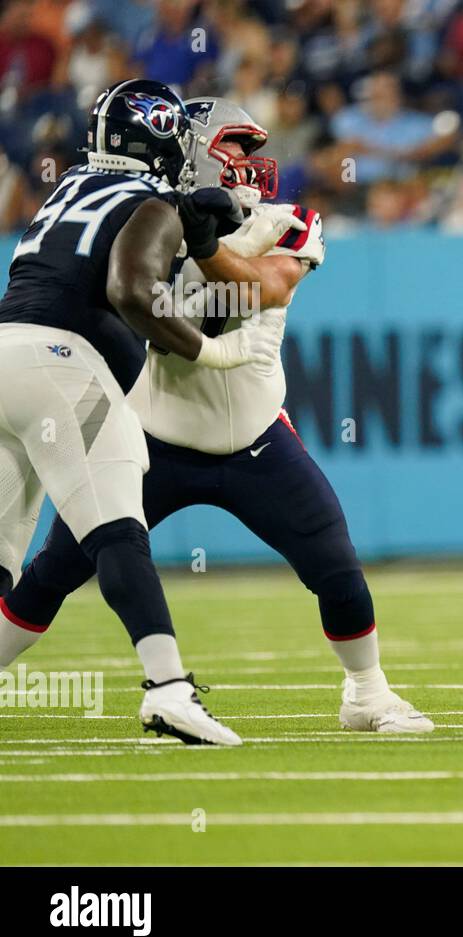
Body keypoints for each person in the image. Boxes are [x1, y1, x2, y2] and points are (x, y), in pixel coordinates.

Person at [0, 97, 433, 734]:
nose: (249, 163)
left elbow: (266, 285)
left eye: (252, 150)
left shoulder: (286, 219)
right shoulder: (149, 215)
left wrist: (202, 240)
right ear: (192, 150)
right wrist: (187, 233)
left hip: (254, 437)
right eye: (234, 147)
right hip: (153, 430)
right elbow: (122, 286)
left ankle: (367, 693)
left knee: (336, 567)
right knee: (50, 576)